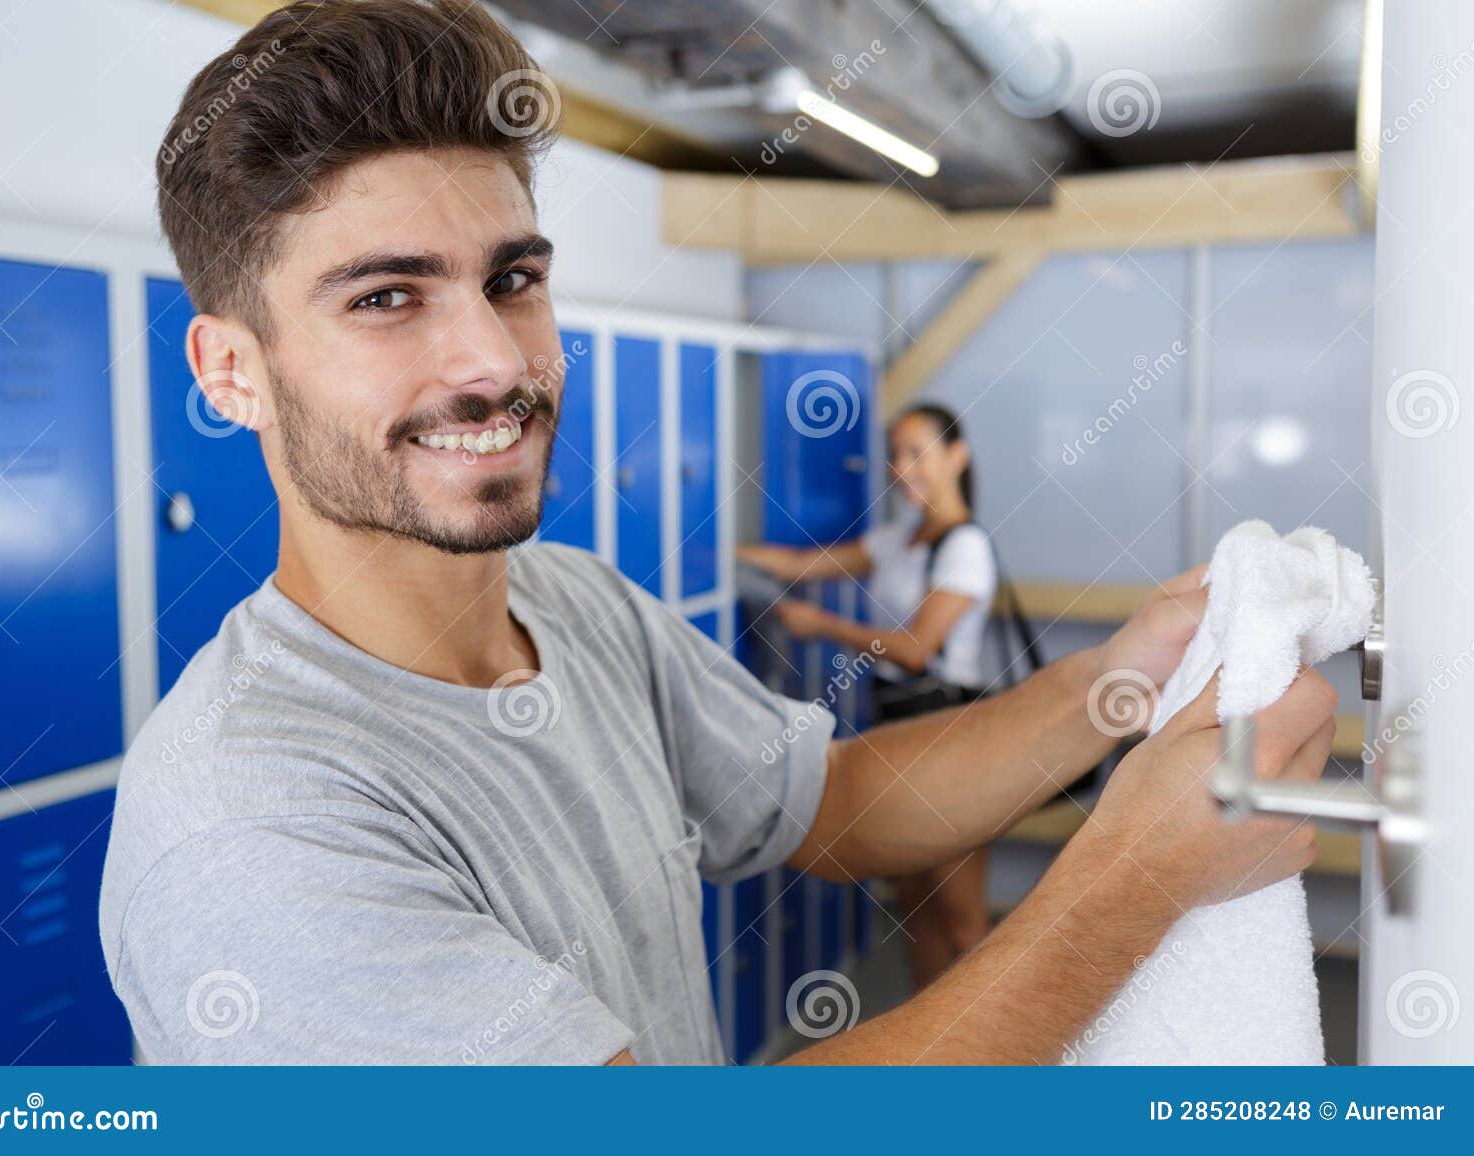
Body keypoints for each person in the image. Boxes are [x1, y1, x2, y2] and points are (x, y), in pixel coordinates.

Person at [99, 0, 1335, 1065]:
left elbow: (832, 801)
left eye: (512, 279)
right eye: (385, 297)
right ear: (231, 373)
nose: (493, 359)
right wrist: (1137, 874)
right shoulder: (250, 819)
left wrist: (1122, 678)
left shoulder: (575, 604)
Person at [738, 403, 999, 988]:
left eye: (918, 453)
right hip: (901, 734)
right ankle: (933, 1052)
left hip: (953, 738)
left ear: (957, 457)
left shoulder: (965, 547)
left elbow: (916, 649)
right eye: (896, 454)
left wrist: (821, 627)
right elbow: (803, 564)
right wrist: (701, 551)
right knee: (916, 906)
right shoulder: (900, 537)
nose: (902, 468)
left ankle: (995, 1065)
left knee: (962, 921)